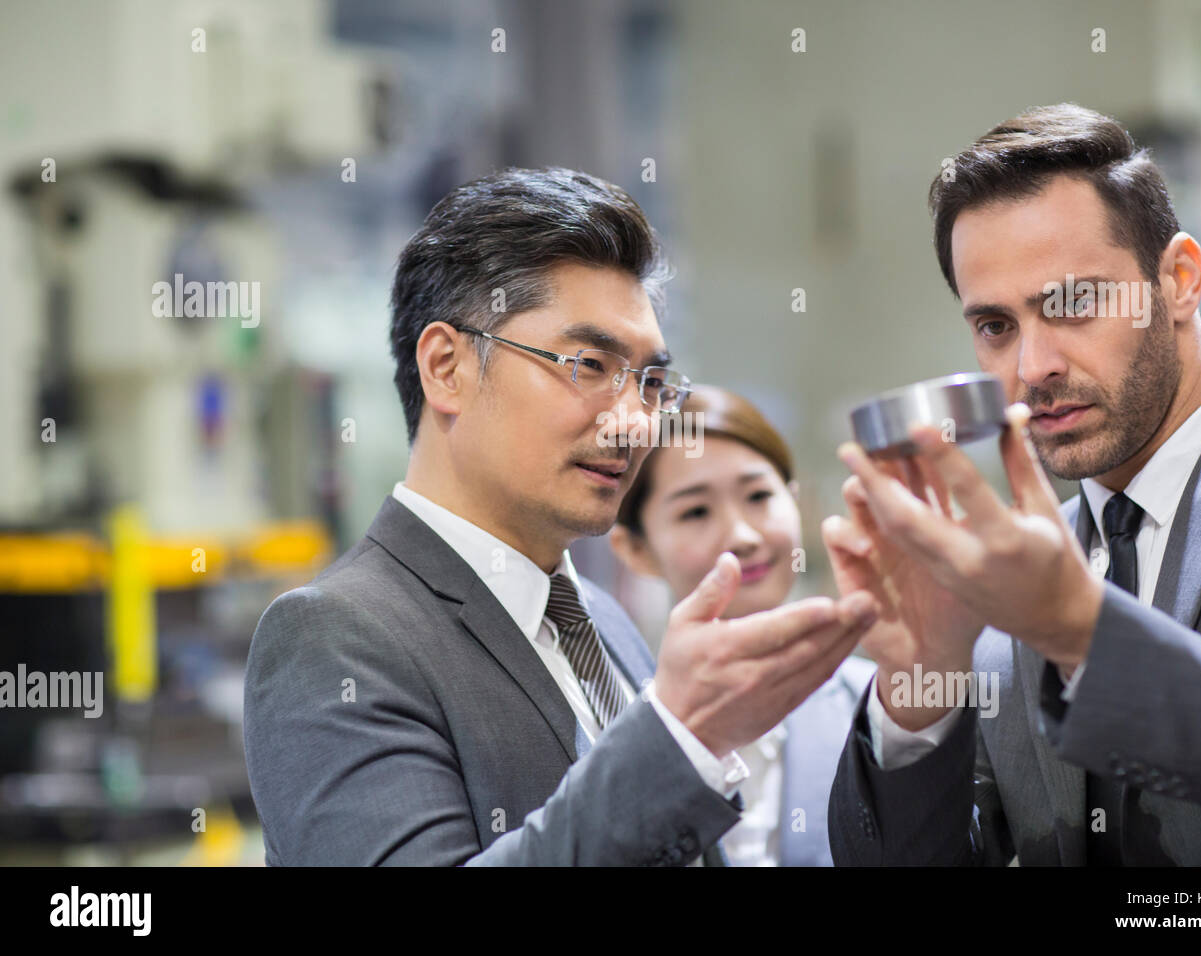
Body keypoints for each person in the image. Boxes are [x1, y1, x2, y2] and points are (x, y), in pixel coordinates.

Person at [242, 166, 875, 865]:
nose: (636, 423)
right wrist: (677, 736)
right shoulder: (335, 637)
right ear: (447, 367)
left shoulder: (601, 621)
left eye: (651, 382)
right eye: (589, 365)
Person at [823, 104, 1201, 865]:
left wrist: (1081, 630)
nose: (1032, 367)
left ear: (1178, 280)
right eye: (995, 326)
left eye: (1073, 303)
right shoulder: (1004, 597)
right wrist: (920, 686)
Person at [609, 385, 875, 866]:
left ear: (794, 501)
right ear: (636, 550)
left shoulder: (879, 704)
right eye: (695, 511)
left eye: (759, 496)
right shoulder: (609, 726)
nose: (743, 535)